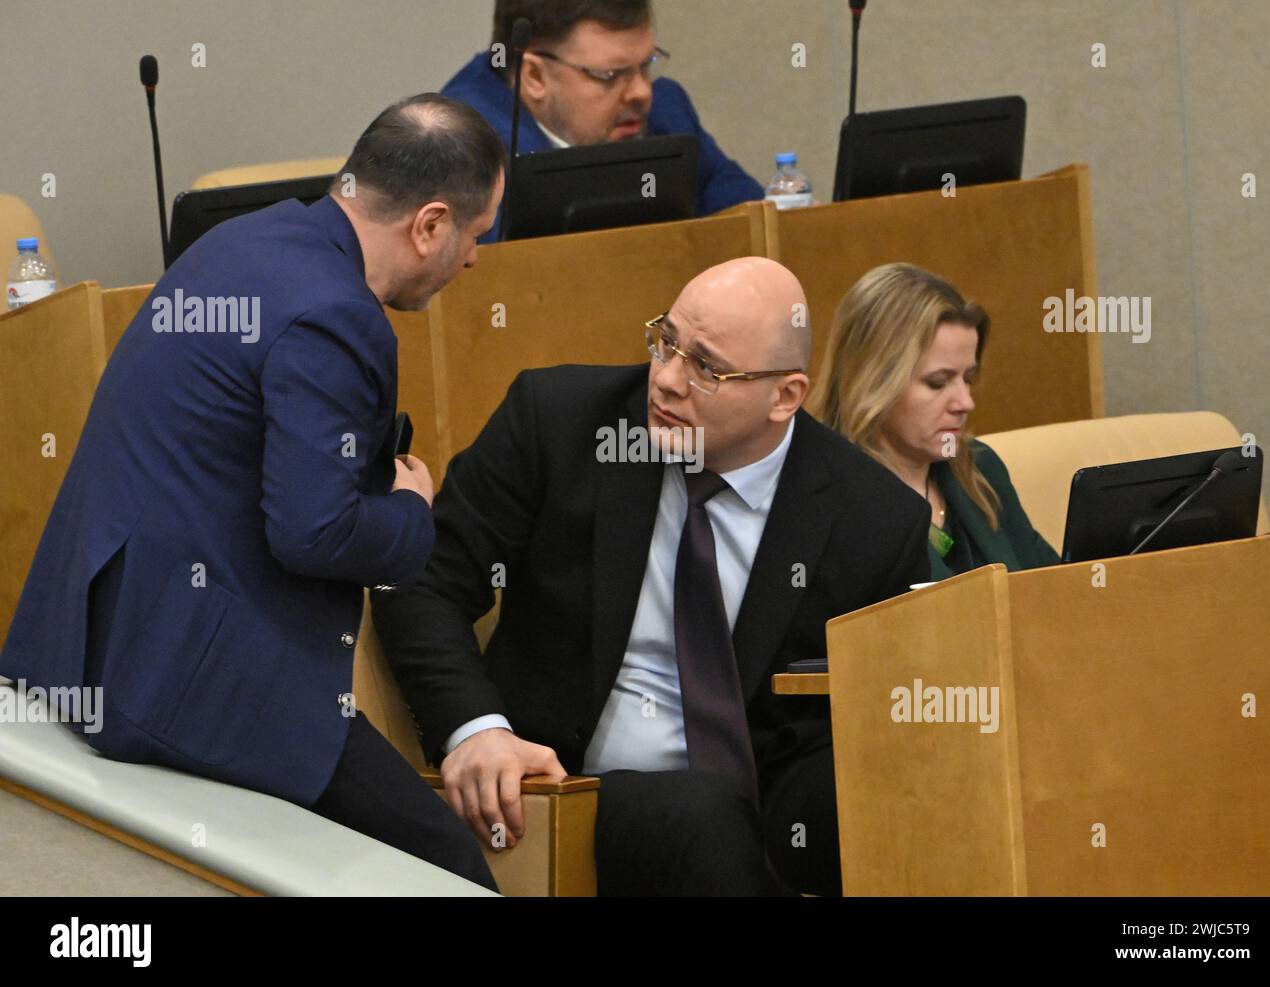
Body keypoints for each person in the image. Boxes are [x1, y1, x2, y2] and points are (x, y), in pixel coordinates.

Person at [0, 94, 505, 891]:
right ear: (432, 223)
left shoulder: (244, 241)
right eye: (478, 235)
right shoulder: (340, 314)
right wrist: (411, 510)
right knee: (448, 869)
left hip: (89, 639)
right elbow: (315, 531)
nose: (476, 258)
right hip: (184, 681)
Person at [371, 256, 929, 896]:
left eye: (706, 368)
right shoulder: (559, 423)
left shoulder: (876, 520)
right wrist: (477, 731)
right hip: (572, 787)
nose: (665, 380)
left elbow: (881, 713)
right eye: (666, 342)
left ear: (786, 396)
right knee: (702, 816)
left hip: (770, 806)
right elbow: (420, 579)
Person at [808, 262, 1059, 581]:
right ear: (872, 382)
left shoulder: (980, 466)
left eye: (968, 378)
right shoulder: (827, 500)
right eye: (938, 383)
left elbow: (1051, 585)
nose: (966, 402)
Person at [442, 0, 764, 242]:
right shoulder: (464, 149)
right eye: (611, 75)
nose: (641, 92)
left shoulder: (666, 111)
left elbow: (751, 221)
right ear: (535, 76)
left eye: (646, 65)